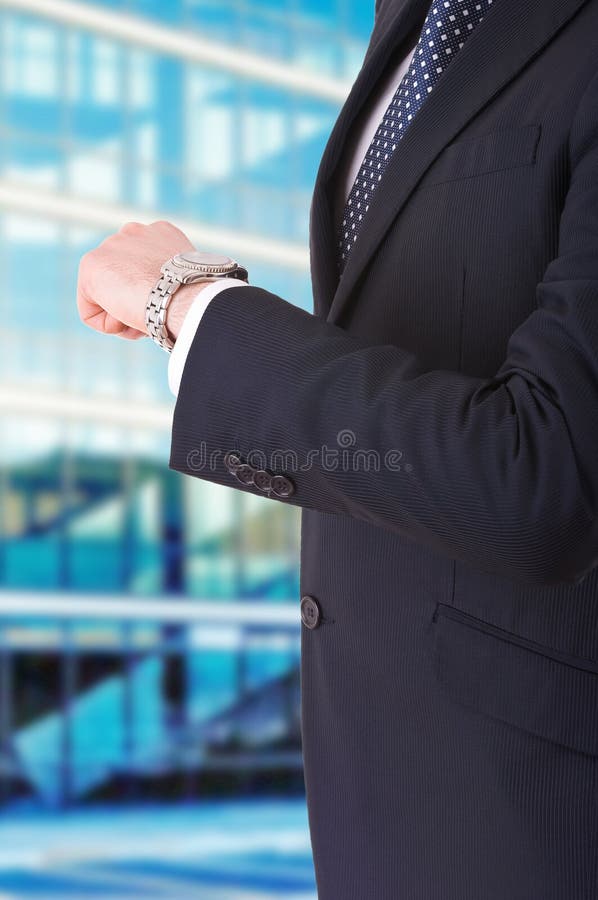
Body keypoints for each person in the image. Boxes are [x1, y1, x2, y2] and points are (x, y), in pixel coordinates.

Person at [77, 0, 598, 896]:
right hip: (379, 789)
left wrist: (195, 308)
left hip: (530, 818)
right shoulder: (417, 16)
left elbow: (545, 481)